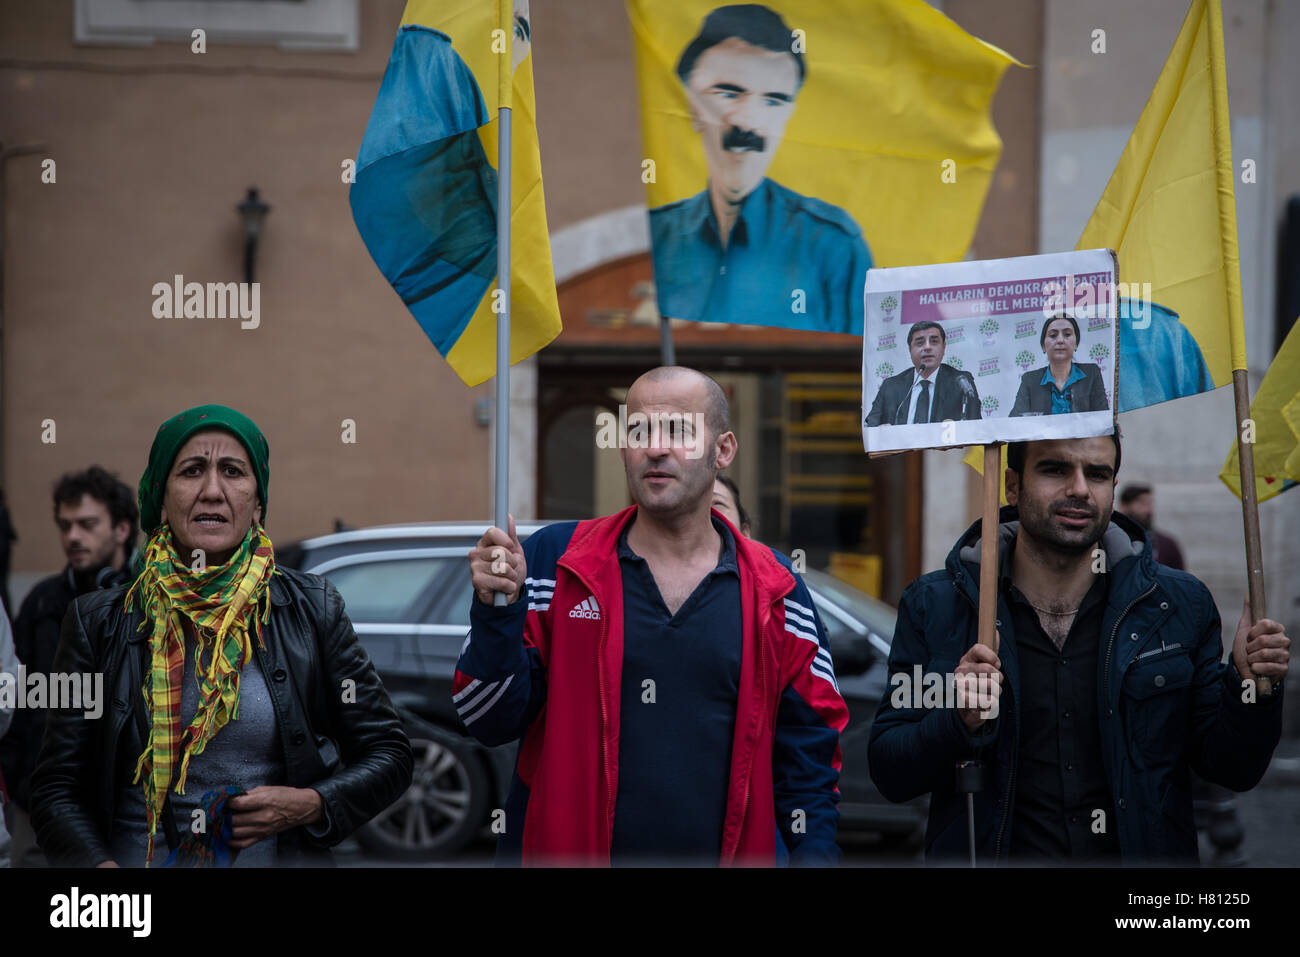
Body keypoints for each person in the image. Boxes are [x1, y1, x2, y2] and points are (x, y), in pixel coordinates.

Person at [461, 366, 848, 865]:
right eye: (640, 430)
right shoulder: (552, 562)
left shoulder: (777, 588)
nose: (656, 447)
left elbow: (811, 764)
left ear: (723, 450)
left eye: (680, 431)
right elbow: (486, 720)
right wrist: (498, 614)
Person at [868, 434, 1288, 864]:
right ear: (1013, 485)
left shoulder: (1176, 604)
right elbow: (891, 772)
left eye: (1098, 474)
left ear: (1112, 486)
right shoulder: (937, 606)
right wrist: (958, 719)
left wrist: (1251, 686)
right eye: (1055, 469)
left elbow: (1231, 769)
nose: (1080, 489)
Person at [30, 405, 412, 867]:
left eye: (233, 471)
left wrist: (312, 803)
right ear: (160, 496)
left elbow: (389, 754)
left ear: (258, 501)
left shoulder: (312, 608)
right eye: (192, 471)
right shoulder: (97, 622)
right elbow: (55, 787)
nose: (213, 491)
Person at [649, 4, 871, 335]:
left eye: (773, 101)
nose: (747, 121)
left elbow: (866, 365)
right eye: (727, 93)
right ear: (691, 106)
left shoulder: (831, 244)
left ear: (788, 115)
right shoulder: (657, 236)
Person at [0, 466, 139, 868]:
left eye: (87, 524)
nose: (73, 537)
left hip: (122, 811)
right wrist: (23, 785)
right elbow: (16, 700)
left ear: (122, 529)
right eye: (65, 525)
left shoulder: (150, 599)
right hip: (40, 810)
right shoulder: (42, 603)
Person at [865, 321, 982, 426]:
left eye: (934, 342)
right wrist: (880, 431)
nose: (927, 347)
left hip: (944, 450)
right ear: (910, 349)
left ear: (944, 347)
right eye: (920, 343)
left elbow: (975, 426)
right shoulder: (891, 385)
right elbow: (870, 425)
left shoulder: (960, 382)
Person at [1010, 314, 1110, 416]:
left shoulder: (1092, 373)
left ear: (1076, 343)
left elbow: (1102, 419)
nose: (1060, 340)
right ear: (1043, 346)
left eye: (1067, 334)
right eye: (1053, 335)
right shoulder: (1030, 380)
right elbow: (1016, 422)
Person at [1118, 483, 1186, 571]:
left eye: (1150, 503)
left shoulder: (1167, 545)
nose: (1148, 510)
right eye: (1142, 503)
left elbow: (1179, 580)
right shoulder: (1109, 541)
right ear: (1124, 506)